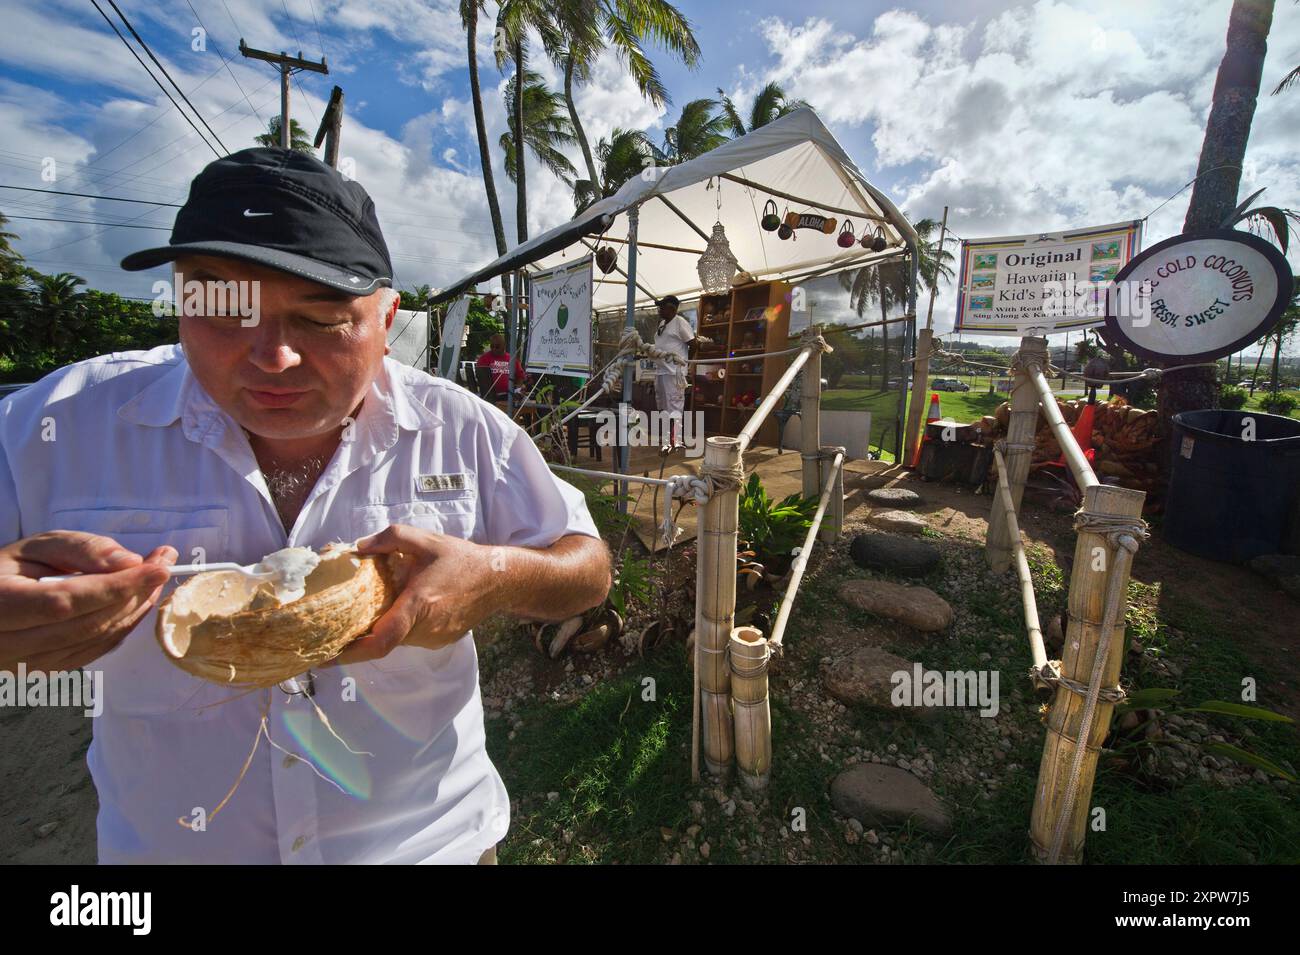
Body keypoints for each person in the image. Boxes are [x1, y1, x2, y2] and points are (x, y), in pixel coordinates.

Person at [0, 147, 610, 864]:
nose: (272, 355)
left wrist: (497, 575)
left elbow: (587, 564)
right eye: (224, 310)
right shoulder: (55, 425)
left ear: (388, 318)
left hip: (430, 847)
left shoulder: (462, 429)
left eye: (321, 319)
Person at [652, 295, 707, 451]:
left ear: (672, 309)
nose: (660, 310)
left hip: (674, 372)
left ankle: (675, 441)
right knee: (663, 406)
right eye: (659, 307)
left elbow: (693, 344)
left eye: (662, 307)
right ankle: (666, 439)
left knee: (674, 407)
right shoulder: (662, 324)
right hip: (661, 371)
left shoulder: (680, 322)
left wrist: (686, 364)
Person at [475, 333, 526, 400]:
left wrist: (518, 389)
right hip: (489, 396)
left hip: (508, 395)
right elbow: (480, 377)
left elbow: (520, 376)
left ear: (504, 346)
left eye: (497, 346)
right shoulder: (484, 358)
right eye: (492, 346)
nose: (494, 349)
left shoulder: (512, 359)